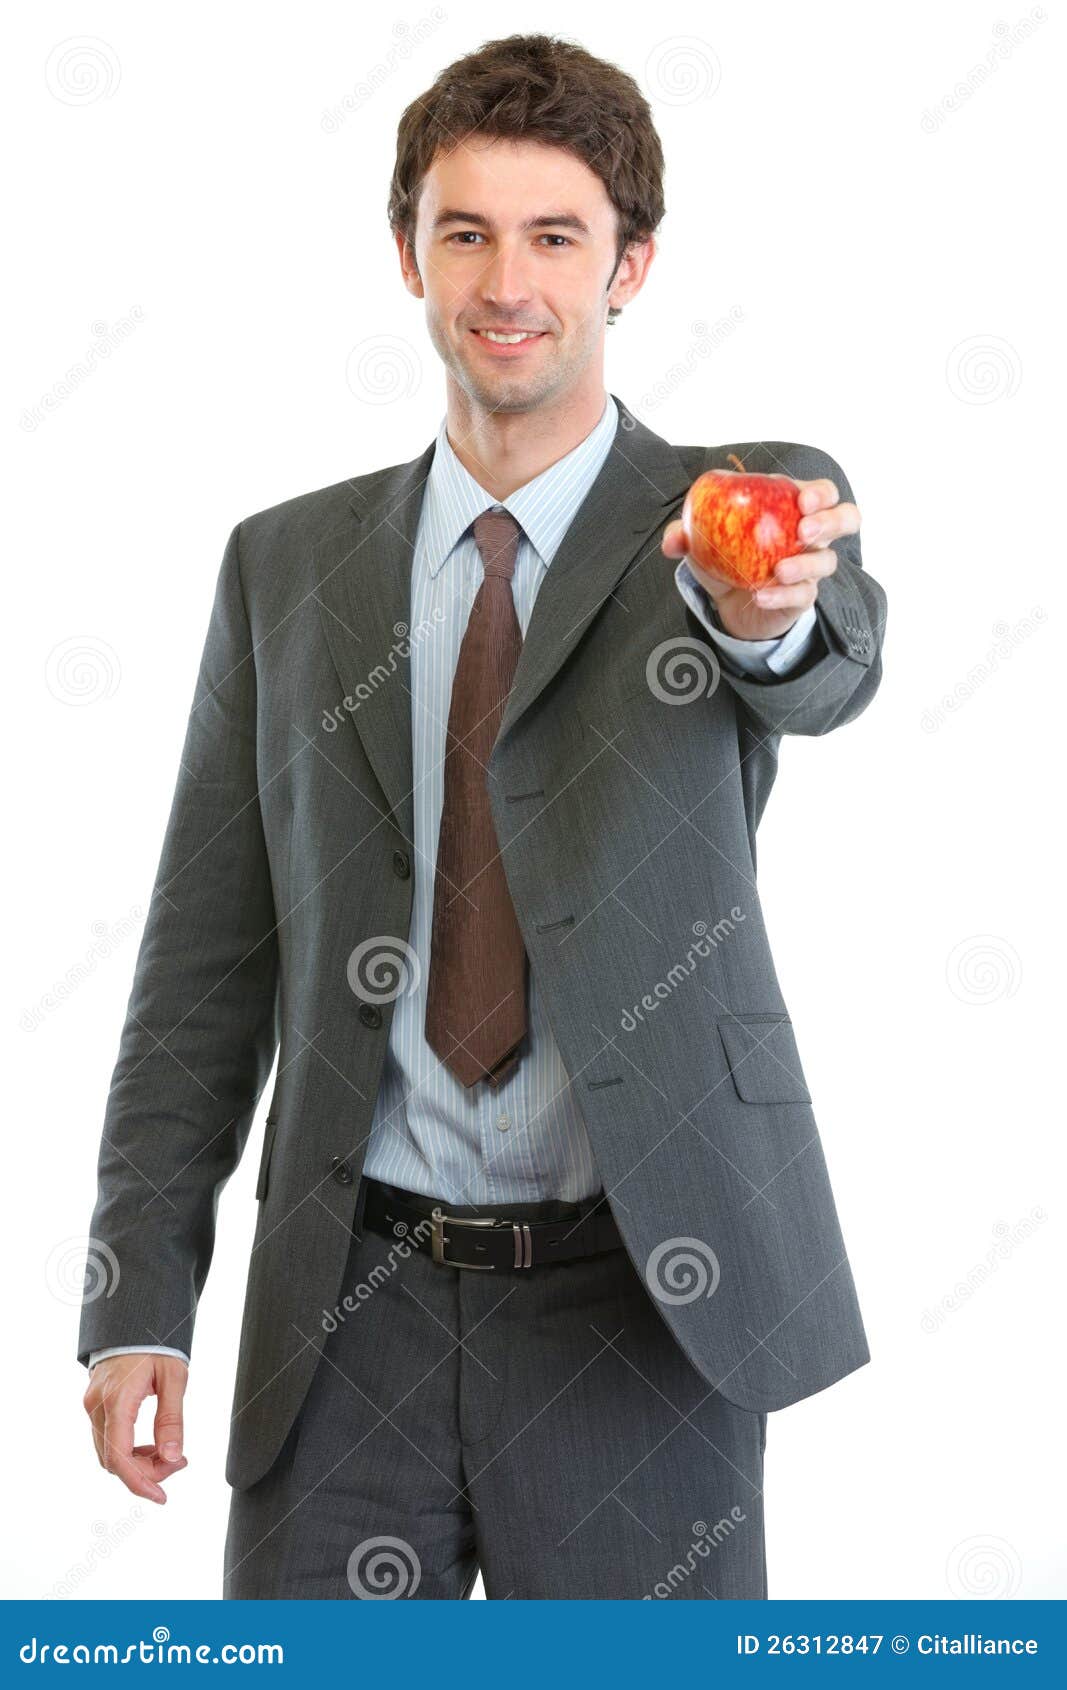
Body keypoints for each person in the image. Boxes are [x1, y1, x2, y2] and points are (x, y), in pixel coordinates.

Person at [80, 32, 886, 1600]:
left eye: (556, 236)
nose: (507, 282)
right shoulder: (286, 569)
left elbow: (821, 661)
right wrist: (136, 1300)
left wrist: (761, 616)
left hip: (641, 1306)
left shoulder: (732, 516)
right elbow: (201, 961)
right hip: (345, 1313)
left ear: (631, 266)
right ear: (408, 256)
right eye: (466, 233)